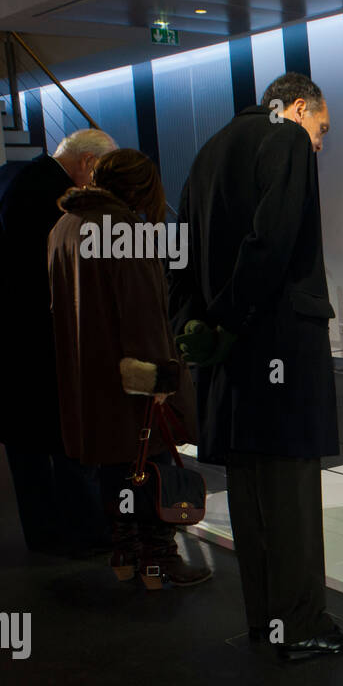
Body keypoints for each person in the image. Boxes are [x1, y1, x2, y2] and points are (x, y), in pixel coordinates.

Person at [171, 72, 343, 658]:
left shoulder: (207, 152)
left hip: (229, 362)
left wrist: (193, 329)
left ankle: (270, 622)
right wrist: (232, 319)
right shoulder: (281, 136)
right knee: (289, 493)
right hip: (275, 345)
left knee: (252, 496)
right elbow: (272, 241)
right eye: (322, 128)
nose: (319, 143)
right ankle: (303, 623)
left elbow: (178, 253)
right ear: (294, 107)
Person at [47, 149, 211, 590]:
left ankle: (125, 554)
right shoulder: (125, 231)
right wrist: (161, 381)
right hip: (131, 380)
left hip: (90, 375)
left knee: (114, 468)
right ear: (140, 188)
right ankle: (159, 563)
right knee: (150, 464)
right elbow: (142, 315)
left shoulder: (65, 226)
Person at [0, 128, 117, 554]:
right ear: (86, 163)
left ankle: (43, 533)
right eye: (100, 175)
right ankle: (86, 535)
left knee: (23, 446)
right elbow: (61, 283)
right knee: (67, 440)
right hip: (40, 345)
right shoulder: (56, 196)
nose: (99, 187)